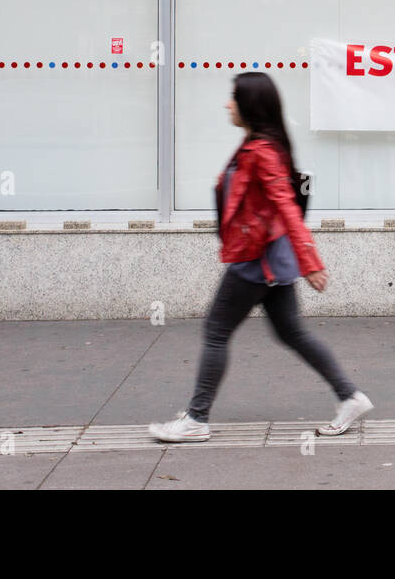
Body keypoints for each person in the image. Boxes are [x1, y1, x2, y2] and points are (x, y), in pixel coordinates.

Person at [149, 71, 372, 442]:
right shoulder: (255, 144)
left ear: (249, 105)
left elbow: (286, 207)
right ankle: (350, 396)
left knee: (216, 331)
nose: (226, 104)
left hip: (258, 262)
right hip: (268, 258)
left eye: (232, 98)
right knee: (292, 332)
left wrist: (311, 263)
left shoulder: (263, 153)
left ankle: (196, 420)